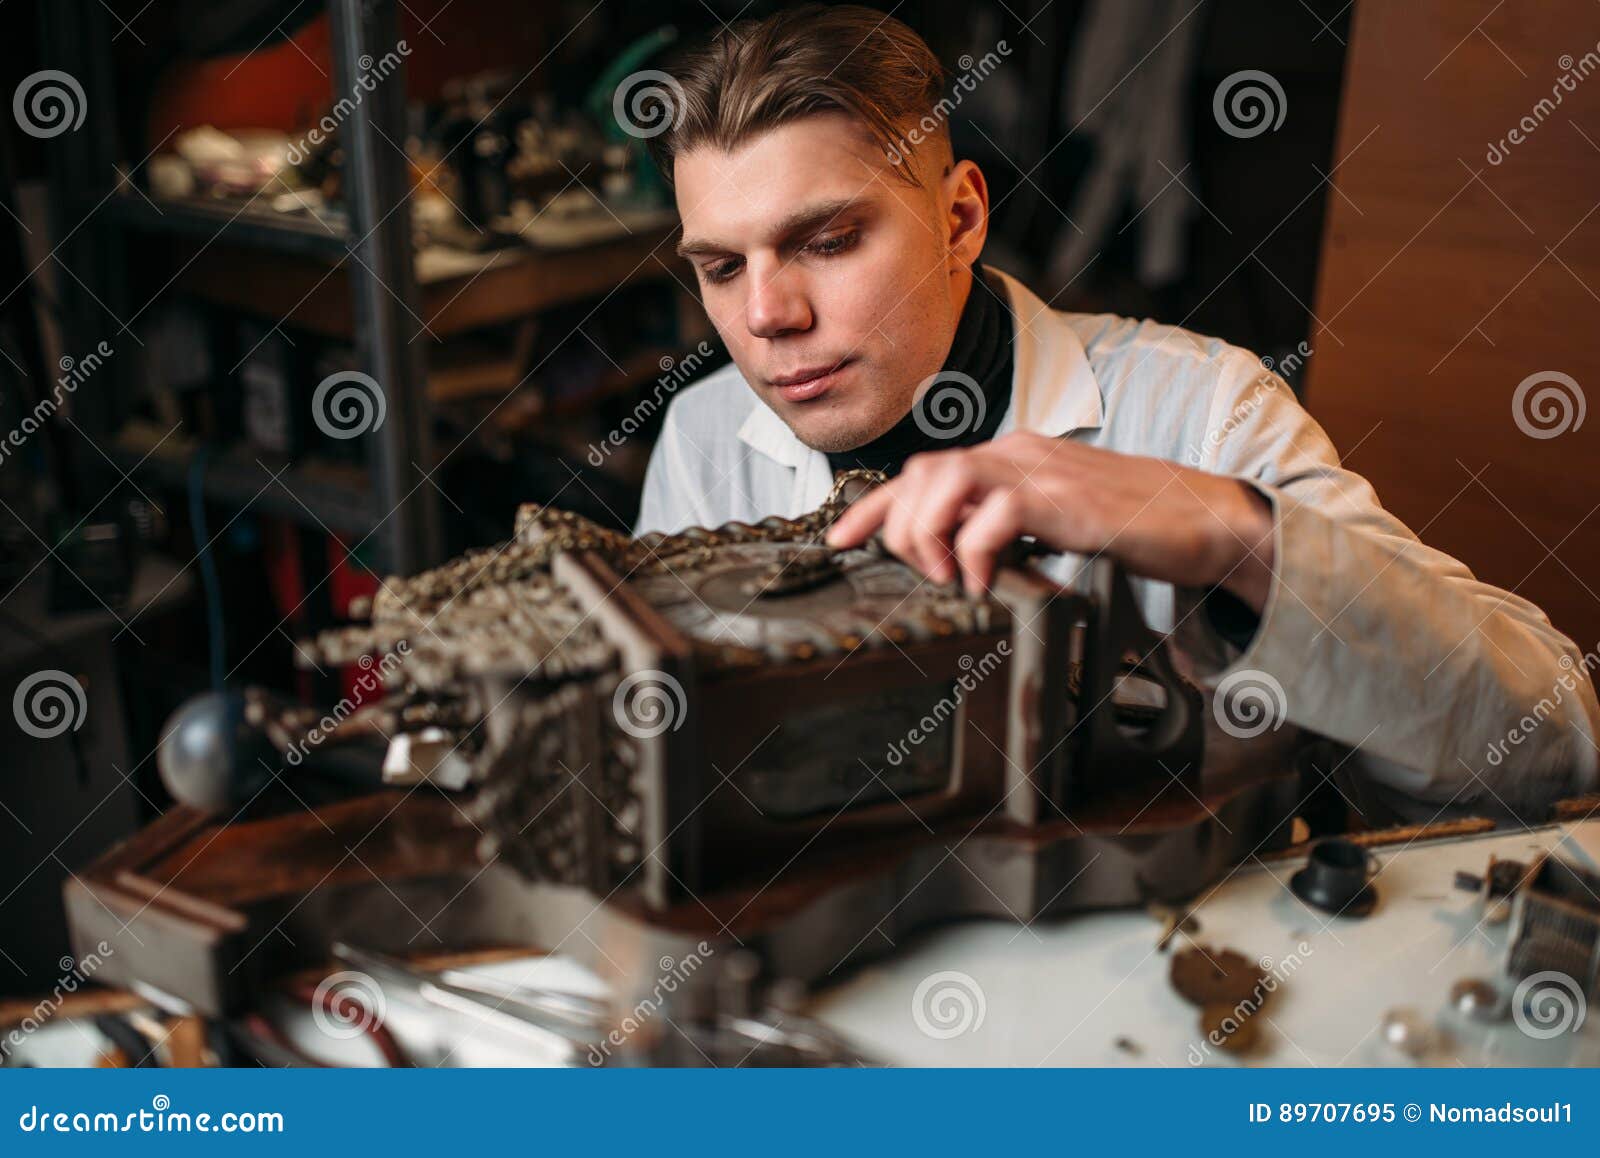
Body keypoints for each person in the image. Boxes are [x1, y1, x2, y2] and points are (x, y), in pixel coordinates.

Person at [632, 5, 1599, 824]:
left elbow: (1550, 749)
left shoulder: (1204, 410)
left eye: (830, 241)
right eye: (722, 267)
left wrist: (1236, 541)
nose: (765, 317)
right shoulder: (707, 436)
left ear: (960, 218)